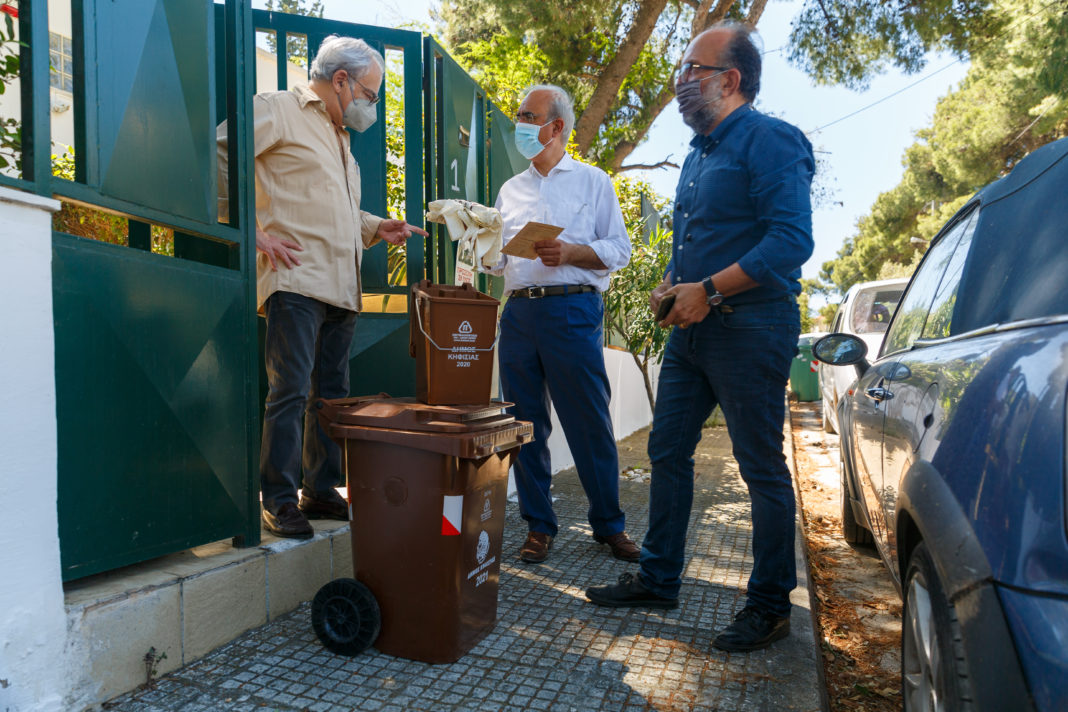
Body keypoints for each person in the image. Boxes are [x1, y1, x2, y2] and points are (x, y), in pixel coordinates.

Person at [585, 22, 815, 653]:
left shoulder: (771, 142)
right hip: (689, 334)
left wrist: (709, 291)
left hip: (752, 329)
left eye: (690, 69)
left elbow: (792, 241)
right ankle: (659, 578)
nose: (679, 81)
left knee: (760, 468)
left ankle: (769, 605)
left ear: (729, 79)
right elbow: (698, 242)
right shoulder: (699, 153)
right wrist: (671, 285)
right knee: (667, 452)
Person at [217, 35, 427, 539]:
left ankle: (320, 488)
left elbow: (332, 211)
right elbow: (221, 153)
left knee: (331, 396)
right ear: (341, 80)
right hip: (296, 280)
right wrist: (250, 232)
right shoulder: (278, 109)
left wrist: (377, 227)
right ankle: (279, 499)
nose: (370, 107)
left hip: (340, 284)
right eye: (371, 95)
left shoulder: (340, 138)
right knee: (289, 390)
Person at [487, 84, 638, 564]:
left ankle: (609, 525)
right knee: (524, 423)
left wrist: (573, 252)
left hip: (573, 309)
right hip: (519, 313)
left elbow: (621, 249)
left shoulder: (594, 182)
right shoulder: (510, 191)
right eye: (519, 116)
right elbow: (496, 262)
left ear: (557, 127)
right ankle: (538, 526)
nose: (520, 124)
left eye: (528, 116)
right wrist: (478, 242)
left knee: (588, 421)